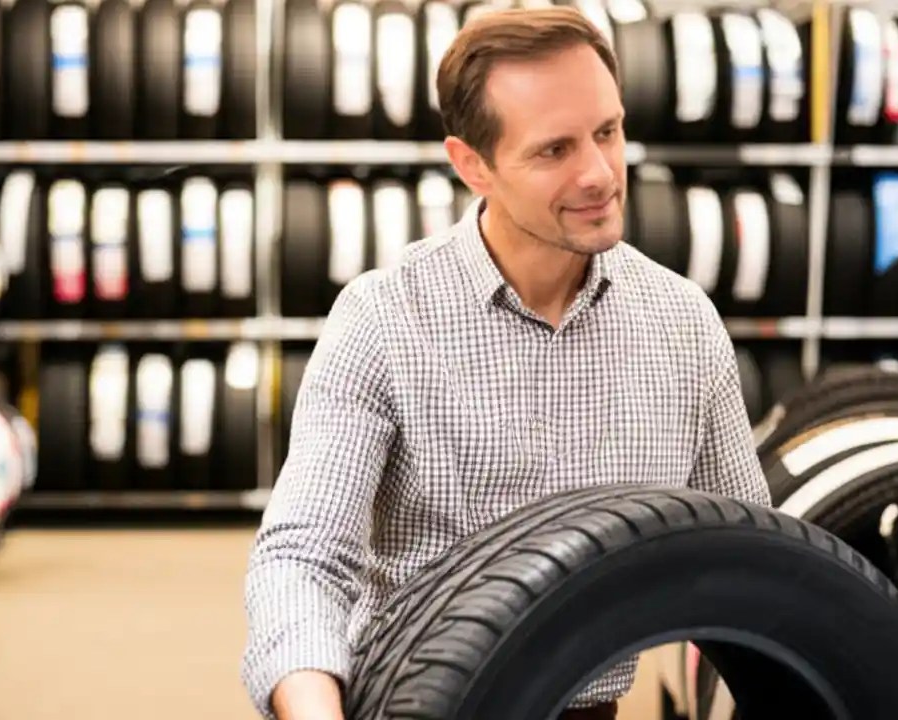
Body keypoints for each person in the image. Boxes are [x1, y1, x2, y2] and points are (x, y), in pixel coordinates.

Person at [240, 7, 773, 720]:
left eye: (607, 133)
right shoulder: (385, 319)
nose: (598, 174)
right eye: (554, 150)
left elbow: (752, 567)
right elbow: (302, 560)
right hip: (411, 704)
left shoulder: (682, 323)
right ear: (472, 165)